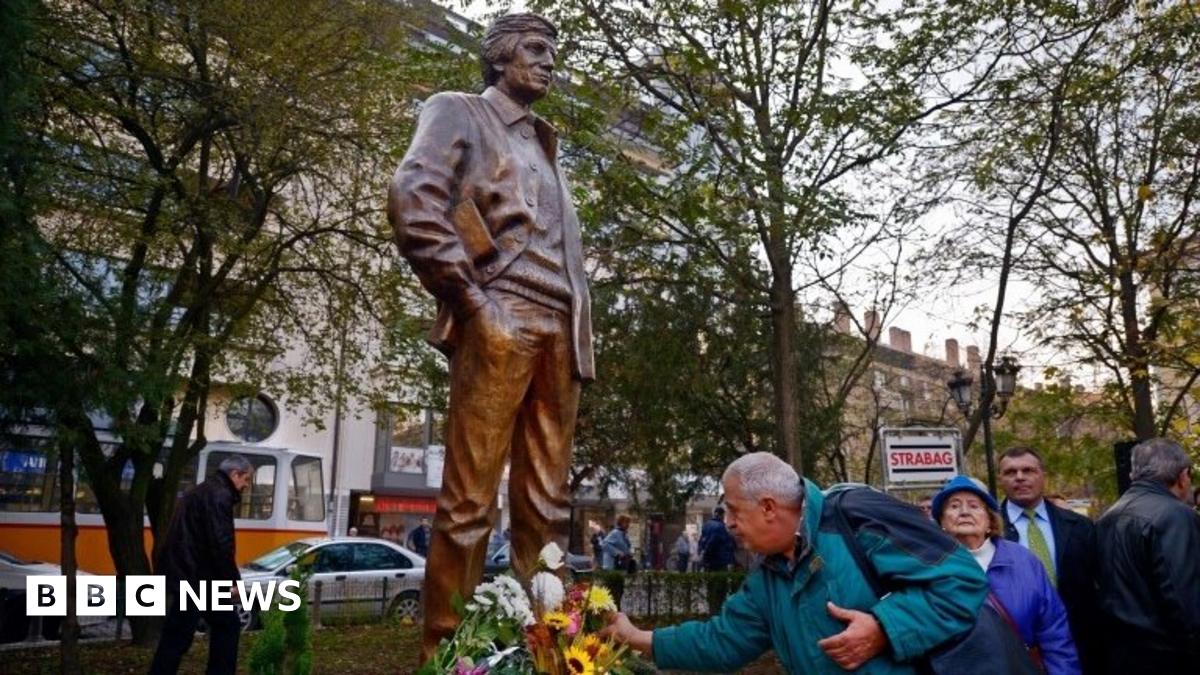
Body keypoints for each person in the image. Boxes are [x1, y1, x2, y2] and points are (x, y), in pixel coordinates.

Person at [388, 12, 593, 658]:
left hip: (562, 331)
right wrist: (474, 302)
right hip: (499, 314)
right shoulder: (458, 112)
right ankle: (446, 656)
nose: (549, 62)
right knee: (470, 500)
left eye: (553, 52)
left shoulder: (547, 145)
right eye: (536, 49)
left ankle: (551, 651)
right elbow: (412, 196)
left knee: (546, 507)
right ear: (500, 57)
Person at [601, 452, 988, 673]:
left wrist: (885, 628)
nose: (729, 523)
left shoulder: (857, 517)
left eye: (734, 510)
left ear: (769, 507)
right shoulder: (767, 574)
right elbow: (722, 640)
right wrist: (637, 638)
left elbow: (962, 582)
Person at [933, 475, 1081, 675]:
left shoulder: (1023, 561)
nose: (964, 512)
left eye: (974, 506)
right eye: (954, 506)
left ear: (990, 521)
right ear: (941, 521)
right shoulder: (929, 566)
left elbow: (1054, 631)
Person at [1095, 438, 1200, 674]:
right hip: (1168, 658)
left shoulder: (1107, 517)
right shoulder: (1175, 515)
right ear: (1183, 476)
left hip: (1123, 655)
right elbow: (1184, 600)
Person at [998, 446, 1100, 673]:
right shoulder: (988, 531)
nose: (1020, 477)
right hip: (1013, 649)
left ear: (1043, 475)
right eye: (1011, 472)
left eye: (1028, 470)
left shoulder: (1079, 526)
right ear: (1000, 479)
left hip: (1079, 646)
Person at [150, 455, 253, 675]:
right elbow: (220, 543)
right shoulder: (220, 496)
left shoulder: (201, 491)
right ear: (235, 474)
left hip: (190, 574)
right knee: (222, 628)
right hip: (199, 578)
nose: (245, 486)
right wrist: (233, 581)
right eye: (246, 479)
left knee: (179, 635)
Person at [698, 506, 736, 571]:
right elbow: (713, 542)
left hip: (708, 560)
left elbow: (701, 540)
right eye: (724, 516)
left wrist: (702, 553)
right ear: (722, 515)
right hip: (718, 559)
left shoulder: (706, 524)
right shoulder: (720, 526)